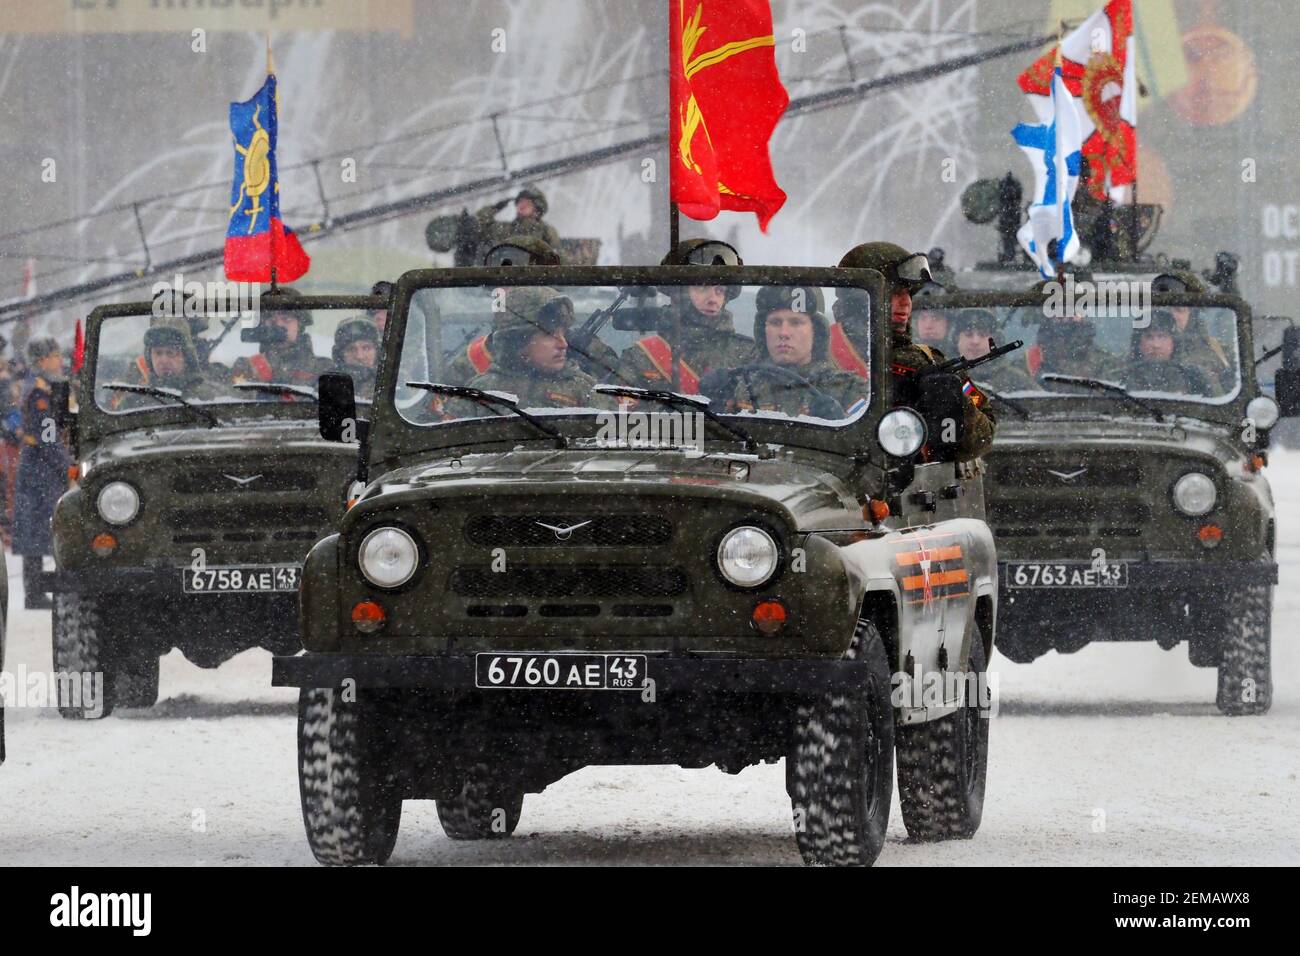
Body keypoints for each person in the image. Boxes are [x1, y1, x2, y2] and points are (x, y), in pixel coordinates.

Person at [836, 242, 994, 462]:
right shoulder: (823, 352)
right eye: (894, 292)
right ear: (860, 297)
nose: (906, 303)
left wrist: (949, 399)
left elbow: (984, 434)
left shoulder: (928, 362)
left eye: (909, 293)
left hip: (914, 489)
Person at [615, 239, 753, 393]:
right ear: (679, 293)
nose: (713, 299)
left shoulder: (746, 355)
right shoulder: (642, 357)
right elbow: (615, 411)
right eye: (702, 288)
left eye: (720, 291)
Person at [708, 285, 866, 418]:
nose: (783, 332)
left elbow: (873, 443)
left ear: (816, 331)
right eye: (775, 322)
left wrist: (841, 424)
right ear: (763, 331)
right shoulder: (739, 385)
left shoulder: (849, 389)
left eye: (796, 322)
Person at [460, 287, 611, 412]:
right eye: (550, 334)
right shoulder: (481, 390)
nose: (563, 344)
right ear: (519, 341)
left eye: (563, 332)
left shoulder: (585, 390)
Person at [443, 238, 568, 386]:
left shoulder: (576, 351)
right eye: (500, 286)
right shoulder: (469, 362)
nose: (504, 294)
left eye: (518, 287)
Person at [13, 338, 71, 609]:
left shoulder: (44, 386)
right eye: (56, 355)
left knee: (38, 527)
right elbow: (47, 435)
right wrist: (66, 464)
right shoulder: (39, 391)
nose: (60, 361)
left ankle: (36, 590)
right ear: (42, 360)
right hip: (40, 466)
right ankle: (34, 592)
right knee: (36, 528)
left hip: (41, 464)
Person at [230, 288, 332, 388]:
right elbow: (229, 397)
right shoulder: (247, 366)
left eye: (286, 319)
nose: (278, 325)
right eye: (272, 321)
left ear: (299, 325)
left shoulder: (323, 369)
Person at [1151, 272, 1232, 390]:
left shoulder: (1217, 353)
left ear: (1192, 314)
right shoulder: (1138, 350)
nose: (1172, 315)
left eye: (1179, 310)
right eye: (1165, 309)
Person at [468, 186, 561, 266]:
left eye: (527, 203)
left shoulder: (546, 231)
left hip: (534, 279)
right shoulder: (505, 229)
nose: (521, 205)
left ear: (537, 208)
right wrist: (495, 208)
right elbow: (479, 225)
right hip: (506, 277)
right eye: (519, 202)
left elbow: (556, 257)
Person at [1126, 310, 1210, 395]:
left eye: (1162, 336)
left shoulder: (1194, 378)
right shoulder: (1122, 375)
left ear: (1173, 341)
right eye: (1149, 337)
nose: (1156, 345)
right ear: (1138, 342)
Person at [955, 309, 1035, 393]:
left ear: (995, 340)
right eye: (968, 335)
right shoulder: (947, 378)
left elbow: (1041, 404)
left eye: (982, 335)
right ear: (957, 339)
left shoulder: (1015, 380)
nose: (975, 341)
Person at [331, 316, 381, 400]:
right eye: (351, 349)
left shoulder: (390, 383)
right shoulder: (330, 382)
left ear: (378, 352)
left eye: (366, 348)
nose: (359, 356)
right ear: (340, 355)